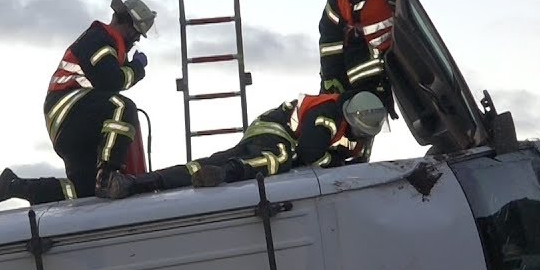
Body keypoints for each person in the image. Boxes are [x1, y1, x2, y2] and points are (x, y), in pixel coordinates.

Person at [0, 0, 157, 212]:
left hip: (73, 123)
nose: (136, 41)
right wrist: (137, 69)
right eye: (136, 34)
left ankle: (15, 186)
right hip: (70, 110)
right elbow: (111, 81)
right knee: (124, 108)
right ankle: (108, 176)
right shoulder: (100, 38)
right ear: (127, 25)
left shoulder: (106, 43)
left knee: (84, 192)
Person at [98, 91, 388, 199]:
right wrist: (335, 161)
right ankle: (228, 172)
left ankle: (137, 183)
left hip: (262, 130)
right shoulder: (327, 116)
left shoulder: (337, 110)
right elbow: (311, 154)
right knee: (280, 159)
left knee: (201, 165)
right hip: (275, 135)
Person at [318, 0, 401, 118]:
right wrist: (331, 77)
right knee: (344, 109)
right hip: (360, 67)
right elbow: (329, 40)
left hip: (398, 58)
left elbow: (405, 5)